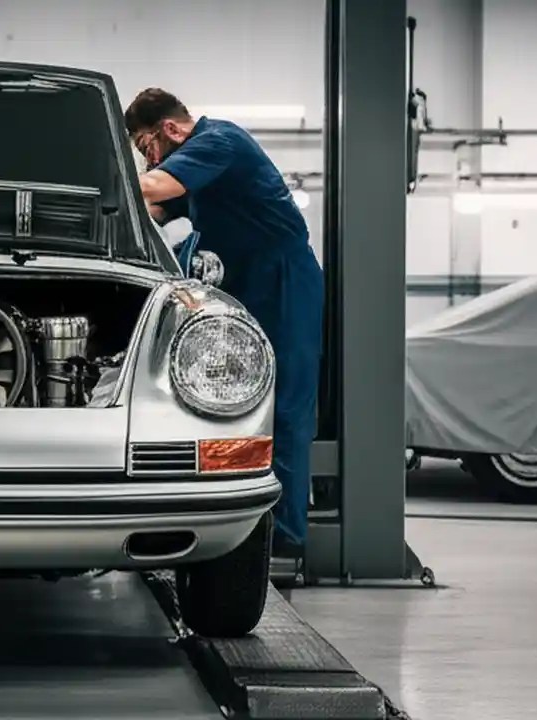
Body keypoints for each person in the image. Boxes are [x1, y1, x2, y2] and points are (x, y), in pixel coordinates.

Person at [125, 88, 324, 563]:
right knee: (230, 404)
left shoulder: (219, 142)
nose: (150, 159)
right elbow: (154, 210)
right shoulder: (200, 167)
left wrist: (103, 178)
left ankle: (286, 542)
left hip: (283, 281)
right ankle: (242, 531)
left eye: (147, 146)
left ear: (170, 129)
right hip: (245, 285)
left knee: (285, 408)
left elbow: (152, 189)